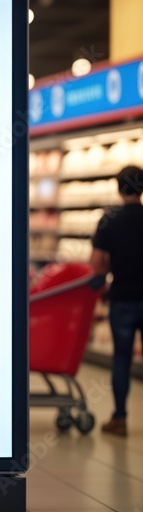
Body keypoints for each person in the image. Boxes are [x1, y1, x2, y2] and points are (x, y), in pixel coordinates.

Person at [91, 165, 143, 436]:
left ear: (118, 187)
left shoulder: (109, 220)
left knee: (122, 359)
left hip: (122, 298)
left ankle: (120, 418)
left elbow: (97, 264)